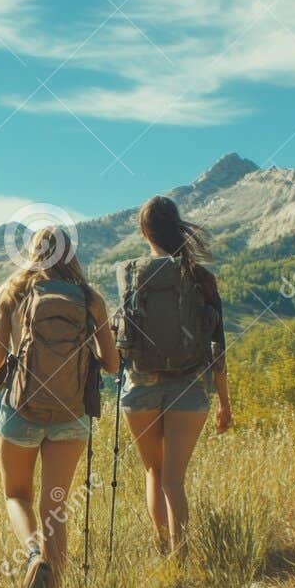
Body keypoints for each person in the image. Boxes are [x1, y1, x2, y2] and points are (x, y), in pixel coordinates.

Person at [0, 226, 118, 588]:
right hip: (71, 417)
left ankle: (33, 553)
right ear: (72, 256)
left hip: (21, 412)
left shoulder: (13, 292)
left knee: (16, 495)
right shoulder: (91, 299)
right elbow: (113, 363)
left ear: (34, 253)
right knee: (55, 506)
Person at [115, 195, 232, 556]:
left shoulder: (129, 274)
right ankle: (180, 554)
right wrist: (225, 404)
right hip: (190, 388)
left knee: (154, 472)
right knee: (174, 479)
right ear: (177, 227)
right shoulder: (200, 277)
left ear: (143, 231)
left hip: (140, 389)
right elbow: (218, 348)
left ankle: (162, 550)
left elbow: (122, 337)